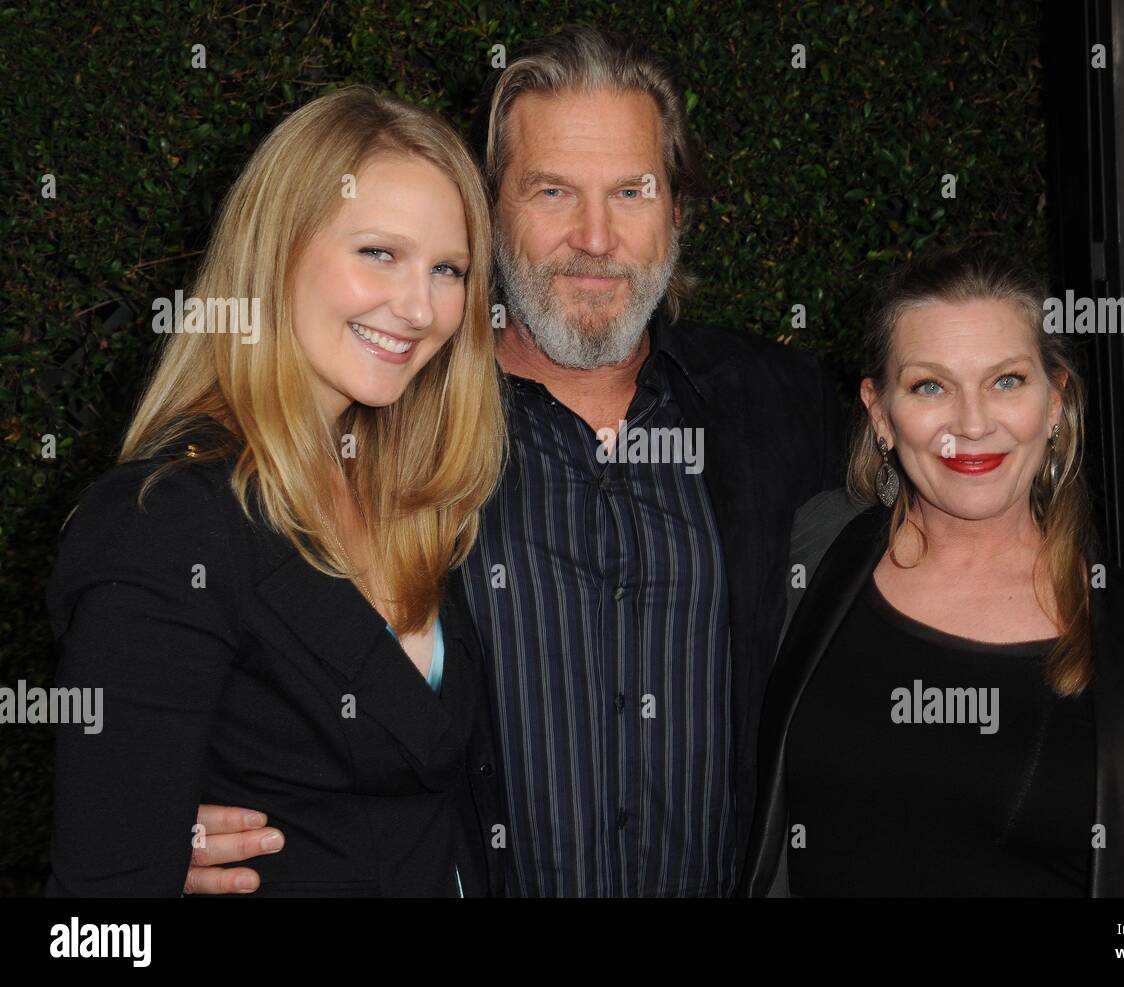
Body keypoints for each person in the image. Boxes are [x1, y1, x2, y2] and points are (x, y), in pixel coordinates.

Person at [188, 26, 849, 897]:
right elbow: (234, 642)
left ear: (679, 211)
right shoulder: (383, 421)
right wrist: (170, 811)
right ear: (489, 212)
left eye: (632, 191)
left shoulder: (785, 409)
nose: (595, 236)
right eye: (551, 191)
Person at [45, 86, 506, 896]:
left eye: (448, 270)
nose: (419, 307)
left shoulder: (398, 486)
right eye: (378, 253)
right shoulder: (169, 521)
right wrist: (144, 850)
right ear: (276, 250)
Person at [739, 248, 1124, 897]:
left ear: (1056, 401)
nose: (973, 423)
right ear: (880, 413)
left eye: (1006, 380)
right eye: (931, 385)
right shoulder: (806, 558)